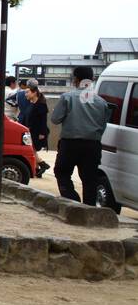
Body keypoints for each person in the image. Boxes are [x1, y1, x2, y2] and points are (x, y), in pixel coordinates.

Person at [50, 65, 111, 205]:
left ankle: (73, 201)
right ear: (93, 79)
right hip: (92, 145)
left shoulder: (67, 97)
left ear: (75, 80)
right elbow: (103, 125)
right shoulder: (102, 102)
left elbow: (55, 119)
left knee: (62, 172)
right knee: (90, 180)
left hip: (70, 144)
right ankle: (88, 209)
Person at [25, 84, 50, 178]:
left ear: (34, 92)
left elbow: (44, 120)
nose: (25, 94)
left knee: (32, 150)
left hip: (37, 132)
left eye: (27, 92)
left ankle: (42, 165)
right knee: (32, 149)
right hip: (31, 131)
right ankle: (37, 169)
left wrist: (42, 133)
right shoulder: (32, 104)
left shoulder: (41, 105)